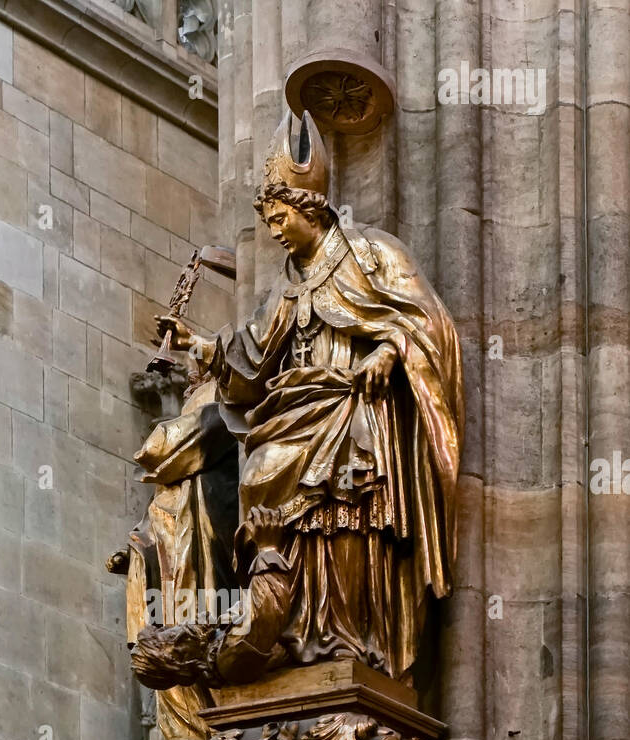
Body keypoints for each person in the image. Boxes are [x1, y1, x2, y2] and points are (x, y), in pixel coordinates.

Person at [147, 109, 464, 687]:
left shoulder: (372, 256)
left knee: (343, 507)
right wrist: (203, 346)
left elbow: (427, 325)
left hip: (354, 410)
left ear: (310, 209)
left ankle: (351, 635)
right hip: (296, 413)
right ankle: (298, 628)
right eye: (268, 219)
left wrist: (389, 352)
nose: (273, 231)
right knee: (261, 471)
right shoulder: (290, 282)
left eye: (280, 217)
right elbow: (252, 354)